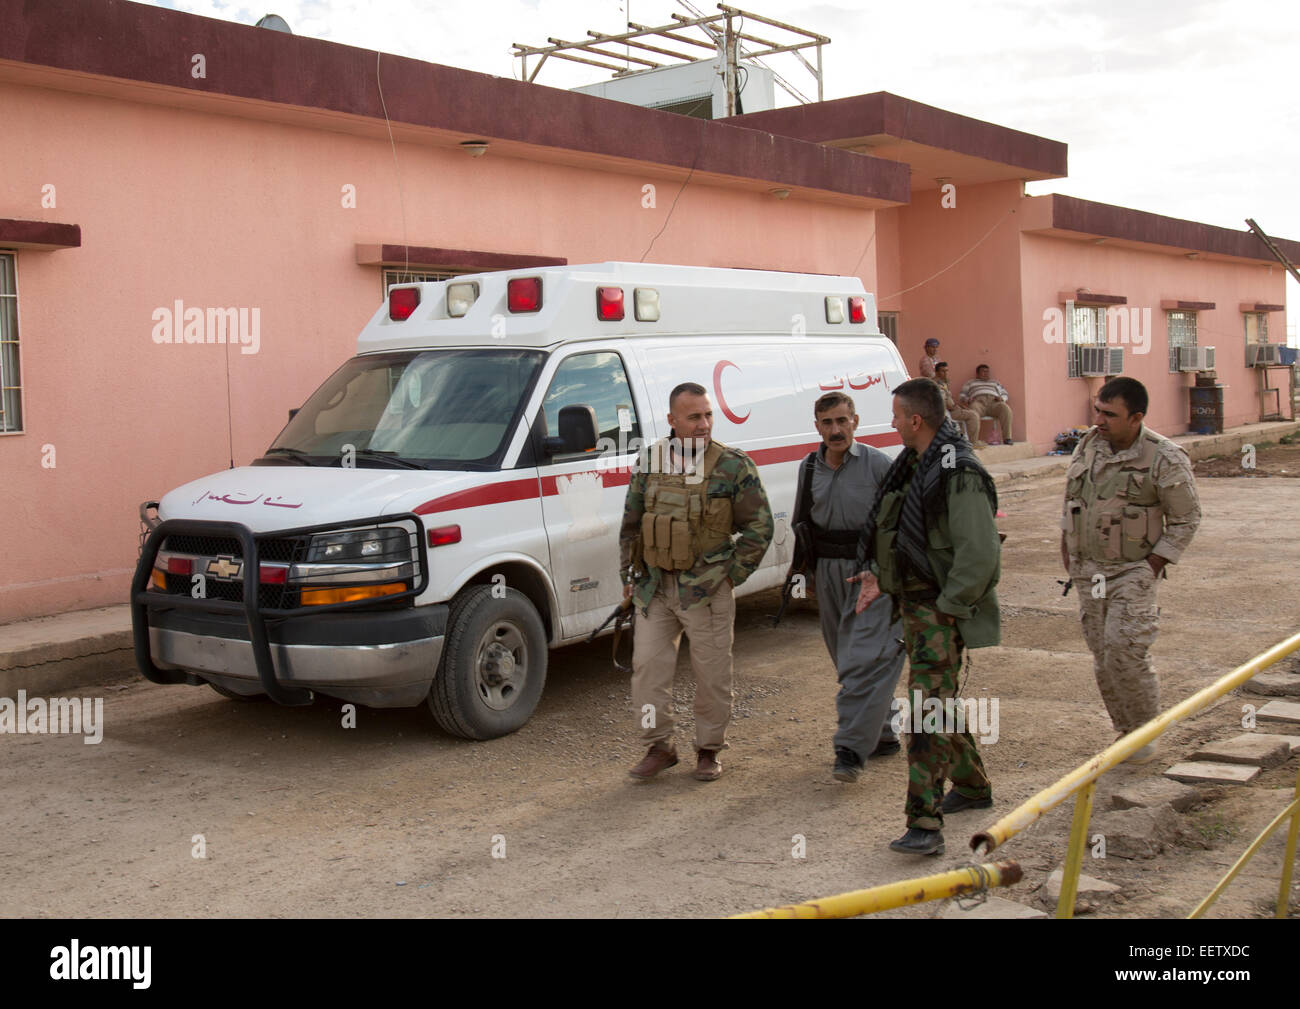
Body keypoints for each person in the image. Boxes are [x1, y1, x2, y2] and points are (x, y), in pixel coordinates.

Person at [849, 378, 1001, 856]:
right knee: (939, 703)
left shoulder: (958, 470)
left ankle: (924, 823)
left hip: (940, 611)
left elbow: (980, 554)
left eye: (896, 416)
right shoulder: (914, 466)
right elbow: (899, 537)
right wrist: (879, 574)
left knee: (925, 711)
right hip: (914, 609)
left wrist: (949, 609)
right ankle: (973, 787)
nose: (892, 424)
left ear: (915, 419)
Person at [619, 382, 774, 782]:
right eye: (694, 417)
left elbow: (760, 528)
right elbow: (631, 524)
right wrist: (629, 578)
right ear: (672, 420)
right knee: (647, 672)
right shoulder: (650, 460)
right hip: (656, 588)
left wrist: (729, 577)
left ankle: (708, 750)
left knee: (712, 675)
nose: (703, 424)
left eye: (707, 415)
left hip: (707, 591)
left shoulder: (734, 466)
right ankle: (659, 747)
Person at [1061, 377, 1200, 764]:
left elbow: (1187, 519)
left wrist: (1153, 565)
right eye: (1098, 411)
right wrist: (1067, 547)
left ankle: (1144, 733)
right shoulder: (1089, 445)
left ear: (1136, 417)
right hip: (1089, 572)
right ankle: (1125, 733)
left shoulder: (1164, 457)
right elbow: (1073, 498)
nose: (1100, 420)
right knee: (1103, 654)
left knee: (1126, 648)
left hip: (1131, 571)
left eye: (1110, 414)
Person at [789, 392, 906, 783]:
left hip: (869, 573)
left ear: (855, 421)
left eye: (842, 421)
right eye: (827, 423)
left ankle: (850, 749)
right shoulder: (809, 467)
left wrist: (883, 570)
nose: (836, 430)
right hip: (827, 572)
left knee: (864, 658)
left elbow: (898, 523)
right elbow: (803, 522)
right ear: (817, 425)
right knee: (843, 654)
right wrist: (801, 574)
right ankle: (885, 732)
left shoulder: (878, 465)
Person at [959, 364, 1014, 445]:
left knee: (1005, 408)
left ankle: (1007, 438)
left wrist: (1002, 398)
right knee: (972, 412)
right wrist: (967, 399)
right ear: (977, 374)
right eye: (983, 371)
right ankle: (973, 441)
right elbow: (962, 395)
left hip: (993, 402)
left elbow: (1005, 393)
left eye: (987, 372)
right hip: (978, 402)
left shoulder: (995, 382)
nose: (986, 373)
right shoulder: (970, 382)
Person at [935, 361, 979, 445]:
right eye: (943, 371)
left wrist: (958, 406)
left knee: (972, 413)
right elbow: (941, 400)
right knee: (973, 416)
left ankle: (967, 442)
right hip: (945, 412)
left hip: (952, 409)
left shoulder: (944, 382)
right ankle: (973, 443)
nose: (946, 373)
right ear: (936, 372)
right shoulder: (936, 384)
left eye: (947, 371)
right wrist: (952, 407)